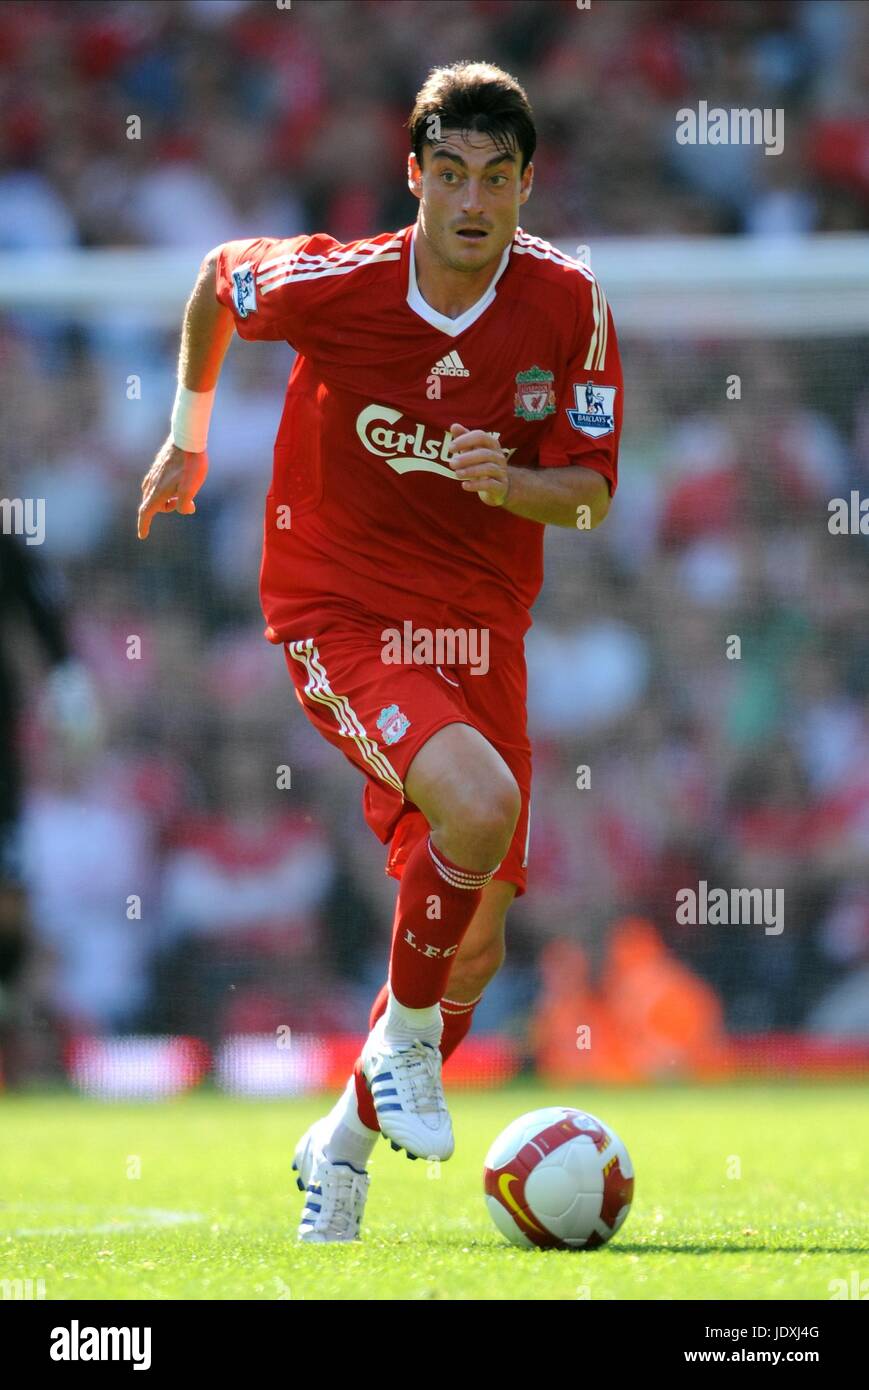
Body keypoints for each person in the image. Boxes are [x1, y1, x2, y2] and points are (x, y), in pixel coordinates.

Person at [137, 61, 623, 1242]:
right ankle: (404, 1050)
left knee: (476, 948)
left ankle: (337, 1145)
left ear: (523, 186)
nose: (470, 199)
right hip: (337, 610)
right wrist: (186, 440)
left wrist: (512, 480)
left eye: (494, 178)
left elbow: (592, 499)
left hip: (478, 630)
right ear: (411, 177)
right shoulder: (337, 282)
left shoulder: (568, 304)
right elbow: (214, 283)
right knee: (479, 802)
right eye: (446, 174)